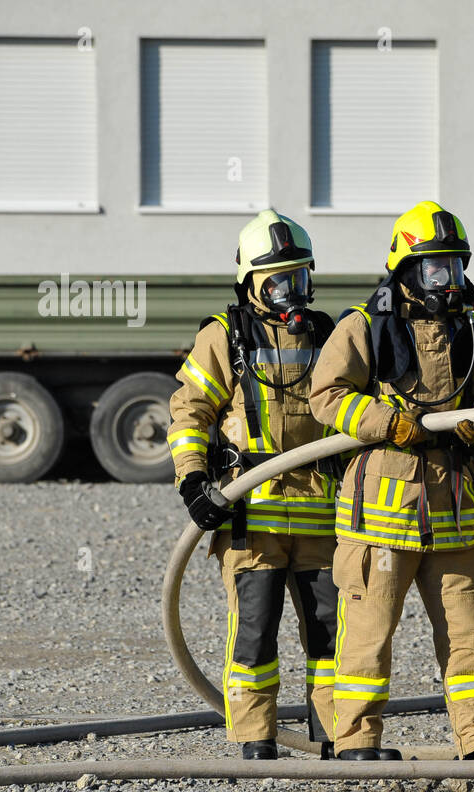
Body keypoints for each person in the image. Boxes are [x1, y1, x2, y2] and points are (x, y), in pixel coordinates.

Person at [309, 201, 474, 761]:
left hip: (454, 514)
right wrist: (386, 422)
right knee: (367, 637)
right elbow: (326, 396)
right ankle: (355, 744)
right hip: (380, 517)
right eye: (434, 268)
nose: (446, 280)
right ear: (406, 270)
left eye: (453, 267)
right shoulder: (363, 327)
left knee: (469, 637)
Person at [168, 209, 341, 760]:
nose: (293, 291)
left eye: (301, 277)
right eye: (279, 279)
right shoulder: (225, 338)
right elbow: (189, 413)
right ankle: (255, 739)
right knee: (256, 632)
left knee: (331, 635)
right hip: (253, 516)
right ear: (251, 283)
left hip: (321, 512)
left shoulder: (327, 333)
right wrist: (194, 481)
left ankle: (335, 736)